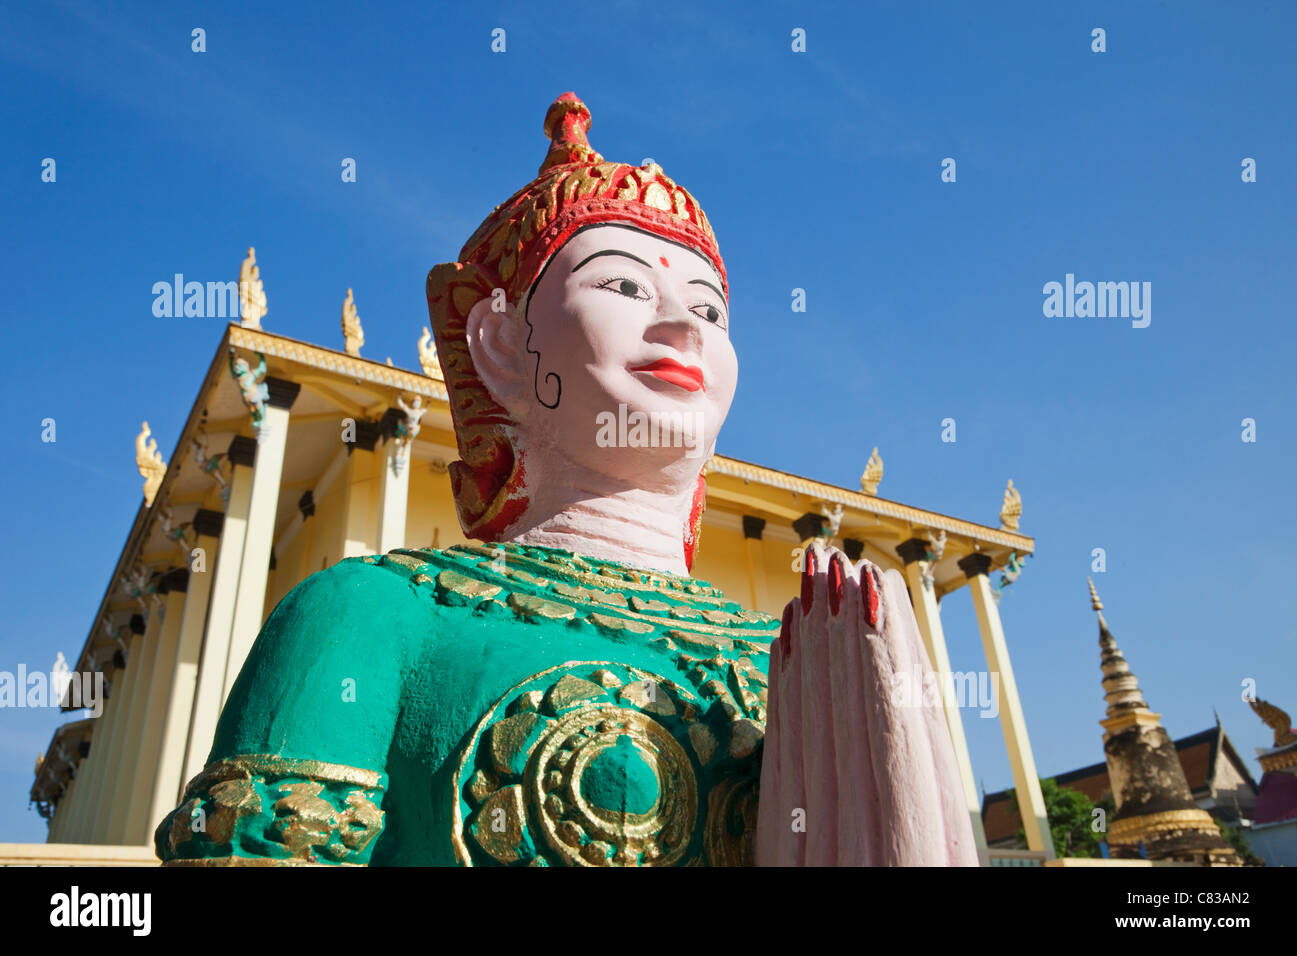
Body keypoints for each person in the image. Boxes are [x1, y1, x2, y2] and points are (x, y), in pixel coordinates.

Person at [156, 93, 976, 867]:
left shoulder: (793, 658)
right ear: (502, 345)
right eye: (622, 284)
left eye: (711, 308)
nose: (684, 324)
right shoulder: (370, 616)